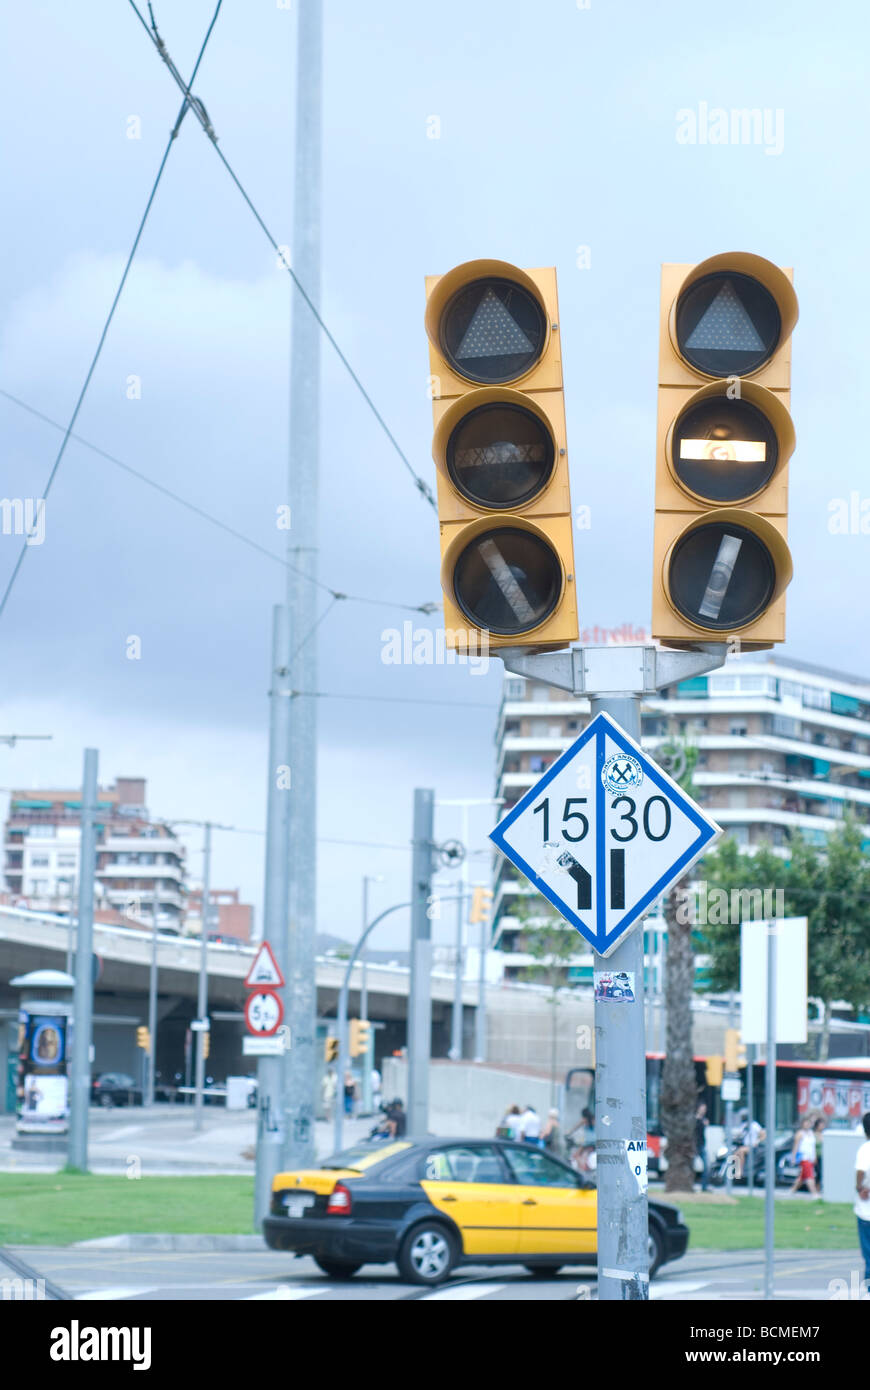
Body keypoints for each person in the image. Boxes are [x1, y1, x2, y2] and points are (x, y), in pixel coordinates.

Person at [854, 1112, 870, 1287]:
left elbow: (860, 1170)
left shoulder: (866, 1149)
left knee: (869, 1254)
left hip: (866, 1211)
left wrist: (860, 1187)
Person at [789, 1116, 820, 1198]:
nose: (807, 1125)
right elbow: (796, 1146)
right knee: (810, 1175)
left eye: (808, 1123)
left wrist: (815, 1156)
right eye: (805, 1123)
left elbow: (813, 1147)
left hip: (811, 1157)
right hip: (803, 1157)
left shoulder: (811, 1133)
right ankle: (814, 1193)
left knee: (802, 1177)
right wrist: (794, 1157)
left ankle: (792, 1190)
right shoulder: (800, 1134)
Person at [695, 1101, 710, 1192]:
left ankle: (704, 1187)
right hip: (693, 1146)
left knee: (707, 1167)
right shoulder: (694, 1119)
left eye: (705, 1109)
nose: (704, 1111)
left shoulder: (704, 1120)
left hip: (701, 1145)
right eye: (702, 1109)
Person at [813, 1117, 826, 1189]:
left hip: (823, 1156)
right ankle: (816, 1188)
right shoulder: (813, 1135)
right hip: (817, 1156)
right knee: (818, 1173)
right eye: (821, 1125)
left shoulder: (824, 1134)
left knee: (822, 1173)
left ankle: (819, 1188)